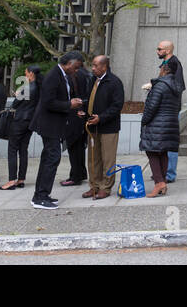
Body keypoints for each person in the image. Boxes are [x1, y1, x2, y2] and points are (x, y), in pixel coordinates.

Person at [31, 51, 84, 209]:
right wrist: (69, 105)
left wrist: (71, 103)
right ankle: (41, 196)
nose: (76, 71)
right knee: (52, 159)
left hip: (54, 124)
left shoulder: (62, 75)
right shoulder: (54, 75)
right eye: (76, 67)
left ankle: (40, 194)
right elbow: (48, 102)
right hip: (49, 125)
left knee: (49, 158)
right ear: (68, 64)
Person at [83, 55, 124, 198]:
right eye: (92, 65)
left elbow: (117, 106)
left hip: (108, 128)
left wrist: (101, 118)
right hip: (93, 127)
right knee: (93, 159)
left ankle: (105, 188)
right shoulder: (93, 80)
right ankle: (94, 185)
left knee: (108, 159)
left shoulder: (114, 82)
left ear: (104, 67)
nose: (92, 68)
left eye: (95, 66)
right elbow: (90, 99)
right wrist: (83, 110)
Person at [139, 56, 181, 198]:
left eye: (161, 68)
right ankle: (163, 183)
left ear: (165, 69)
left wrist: (144, 121)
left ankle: (159, 183)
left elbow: (151, 108)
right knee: (162, 152)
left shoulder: (160, 85)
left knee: (151, 150)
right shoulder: (176, 86)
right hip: (170, 123)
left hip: (157, 124)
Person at [1, 65, 40, 191]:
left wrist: (18, 93)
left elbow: (15, 104)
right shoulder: (40, 87)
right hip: (30, 121)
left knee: (12, 149)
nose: (25, 75)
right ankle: (21, 179)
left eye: (26, 73)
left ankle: (12, 180)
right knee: (24, 149)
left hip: (20, 121)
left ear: (31, 73)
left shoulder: (28, 88)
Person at [156, 41, 184, 183]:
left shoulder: (175, 64)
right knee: (163, 142)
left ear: (167, 50)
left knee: (170, 142)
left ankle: (169, 174)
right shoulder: (166, 64)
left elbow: (178, 87)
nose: (157, 51)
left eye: (159, 49)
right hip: (165, 110)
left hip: (171, 110)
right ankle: (163, 171)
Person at [60, 60, 91, 189]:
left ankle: (75, 176)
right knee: (79, 146)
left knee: (74, 146)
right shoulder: (87, 75)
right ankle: (81, 173)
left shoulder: (74, 76)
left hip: (74, 114)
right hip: (83, 113)